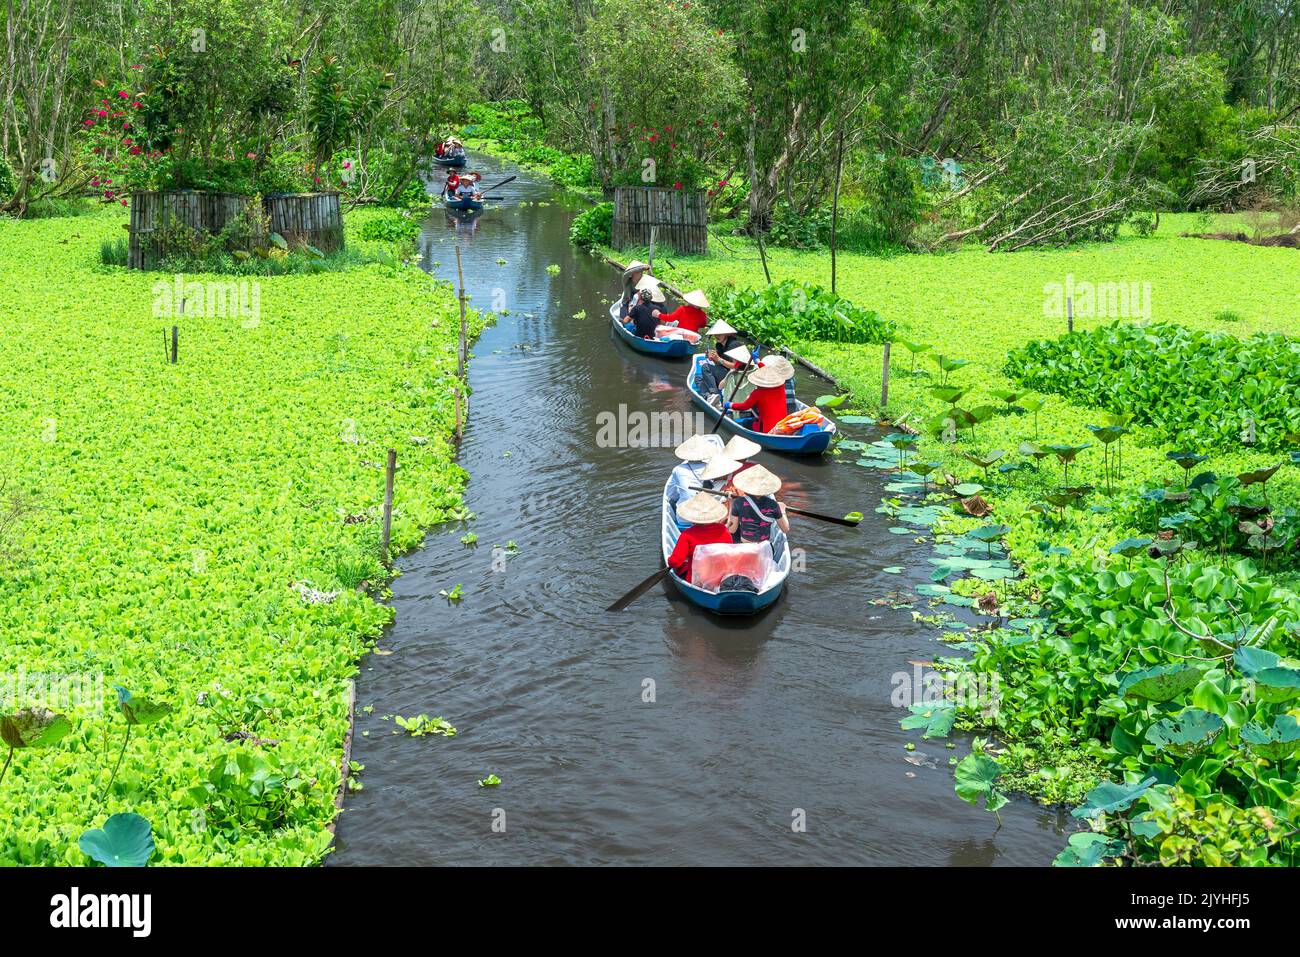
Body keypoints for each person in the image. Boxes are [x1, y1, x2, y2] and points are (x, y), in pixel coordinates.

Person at [667, 492, 733, 583]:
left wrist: (669, 560)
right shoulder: (724, 530)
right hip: (722, 576)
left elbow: (675, 562)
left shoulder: (687, 534)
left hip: (697, 580)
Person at [726, 464, 790, 554]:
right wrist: (782, 511)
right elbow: (785, 529)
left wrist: (731, 504)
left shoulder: (738, 503)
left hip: (745, 547)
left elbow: (731, 529)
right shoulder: (773, 505)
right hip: (764, 548)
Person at [724, 360, 795, 433]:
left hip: (769, 430)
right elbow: (768, 373)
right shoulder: (780, 386)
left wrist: (730, 405)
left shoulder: (757, 393)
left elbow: (744, 406)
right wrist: (758, 361)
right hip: (782, 425)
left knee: (746, 422)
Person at [666, 434, 725, 515]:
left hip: (684, 517)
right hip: (708, 515)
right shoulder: (711, 467)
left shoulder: (678, 469)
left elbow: (671, 494)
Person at [697, 320, 754, 400]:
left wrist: (719, 359)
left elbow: (736, 366)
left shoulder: (733, 345)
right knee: (698, 378)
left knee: (705, 367)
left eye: (720, 334)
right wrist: (713, 358)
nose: (717, 336)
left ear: (727, 334)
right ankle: (709, 396)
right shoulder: (719, 345)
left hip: (736, 376)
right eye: (716, 334)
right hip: (725, 372)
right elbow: (719, 364)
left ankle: (714, 394)